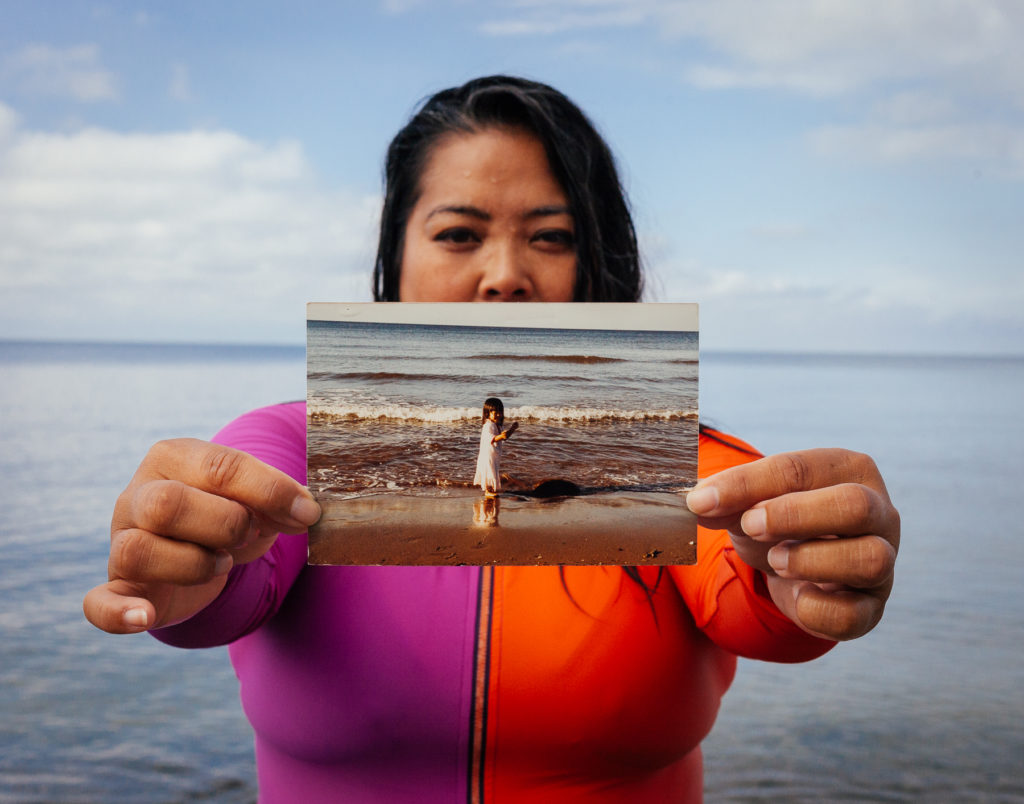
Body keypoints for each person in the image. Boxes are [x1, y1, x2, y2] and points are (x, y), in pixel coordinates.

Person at [83, 76, 900, 803]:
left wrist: (801, 566)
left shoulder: (675, 459)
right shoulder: (293, 445)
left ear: (597, 264)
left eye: (551, 236)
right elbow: (230, 571)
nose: (506, 272)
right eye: (458, 234)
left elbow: (758, 599)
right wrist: (191, 558)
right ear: (393, 257)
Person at [473, 397, 517, 497]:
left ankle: (491, 489)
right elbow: (492, 438)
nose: (498, 415)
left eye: (500, 412)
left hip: (494, 453)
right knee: (489, 471)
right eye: (495, 412)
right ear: (488, 413)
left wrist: (512, 429)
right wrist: (501, 436)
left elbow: (504, 437)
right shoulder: (488, 425)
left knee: (493, 470)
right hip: (487, 454)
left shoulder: (498, 425)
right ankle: (488, 491)